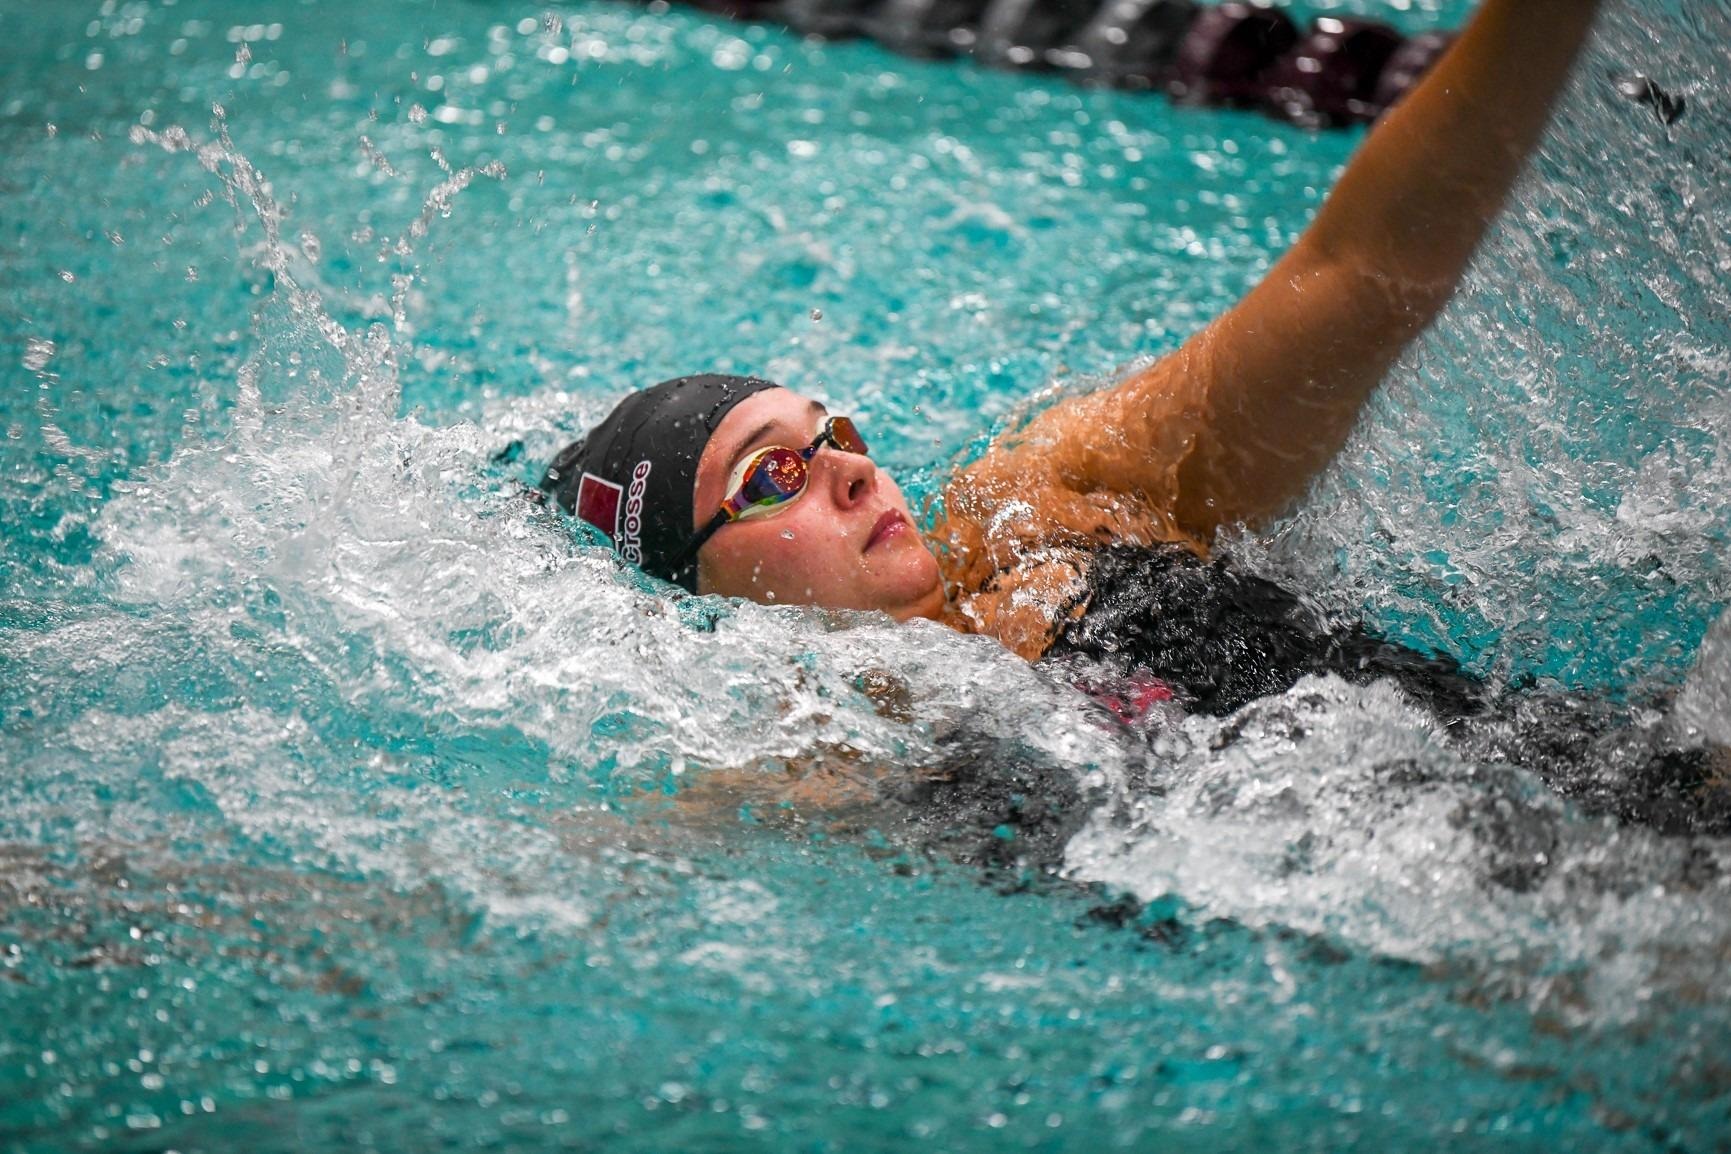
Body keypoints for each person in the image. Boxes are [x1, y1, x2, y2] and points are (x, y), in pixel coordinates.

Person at [539, 0, 1727, 831]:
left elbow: (1365, 276)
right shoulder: (828, 774)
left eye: (832, 434)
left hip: (1645, 790)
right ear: (689, 605)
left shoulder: (1055, 504)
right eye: (769, 480)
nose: (850, 473)